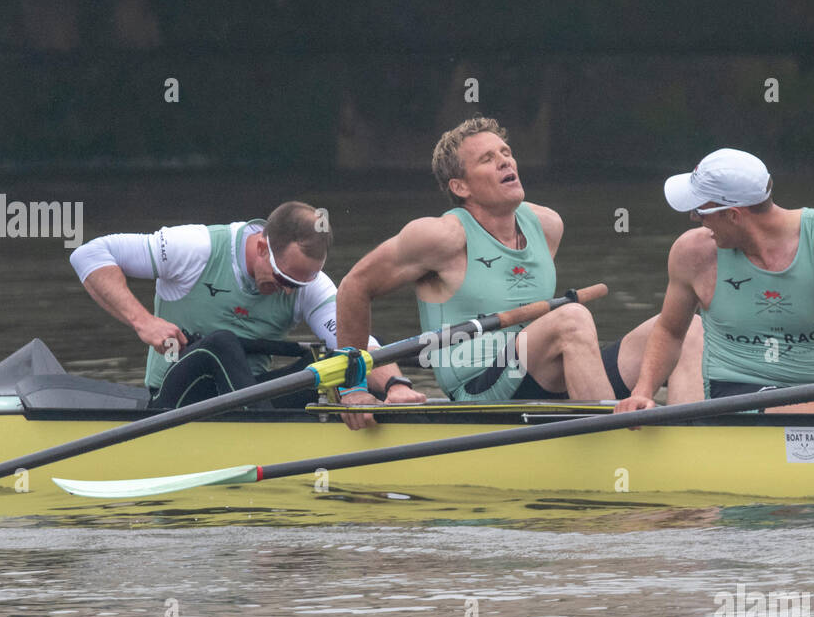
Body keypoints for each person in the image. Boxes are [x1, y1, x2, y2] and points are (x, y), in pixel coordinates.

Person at [334, 116, 700, 428]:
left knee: (689, 327)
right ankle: (615, 443)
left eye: (506, 154)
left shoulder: (547, 224)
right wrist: (354, 387)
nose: (505, 163)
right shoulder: (440, 237)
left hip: (540, 374)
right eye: (488, 159)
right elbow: (355, 286)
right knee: (571, 317)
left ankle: (697, 433)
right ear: (460, 187)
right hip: (478, 389)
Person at [615, 148, 814, 414]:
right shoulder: (693, 253)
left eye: (701, 212)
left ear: (733, 214)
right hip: (737, 399)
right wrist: (642, 394)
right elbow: (671, 332)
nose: (694, 220)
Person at [69, 201, 423, 411]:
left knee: (328, 363)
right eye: (284, 278)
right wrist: (143, 322)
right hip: (176, 400)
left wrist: (396, 385)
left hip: (250, 398)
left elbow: (356, 342)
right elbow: (90, 254)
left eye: (298, 284)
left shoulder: (307, 283)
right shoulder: (197, 247)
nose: (289, 290)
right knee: (222, 344)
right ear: (260, 248)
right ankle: (261, 429)